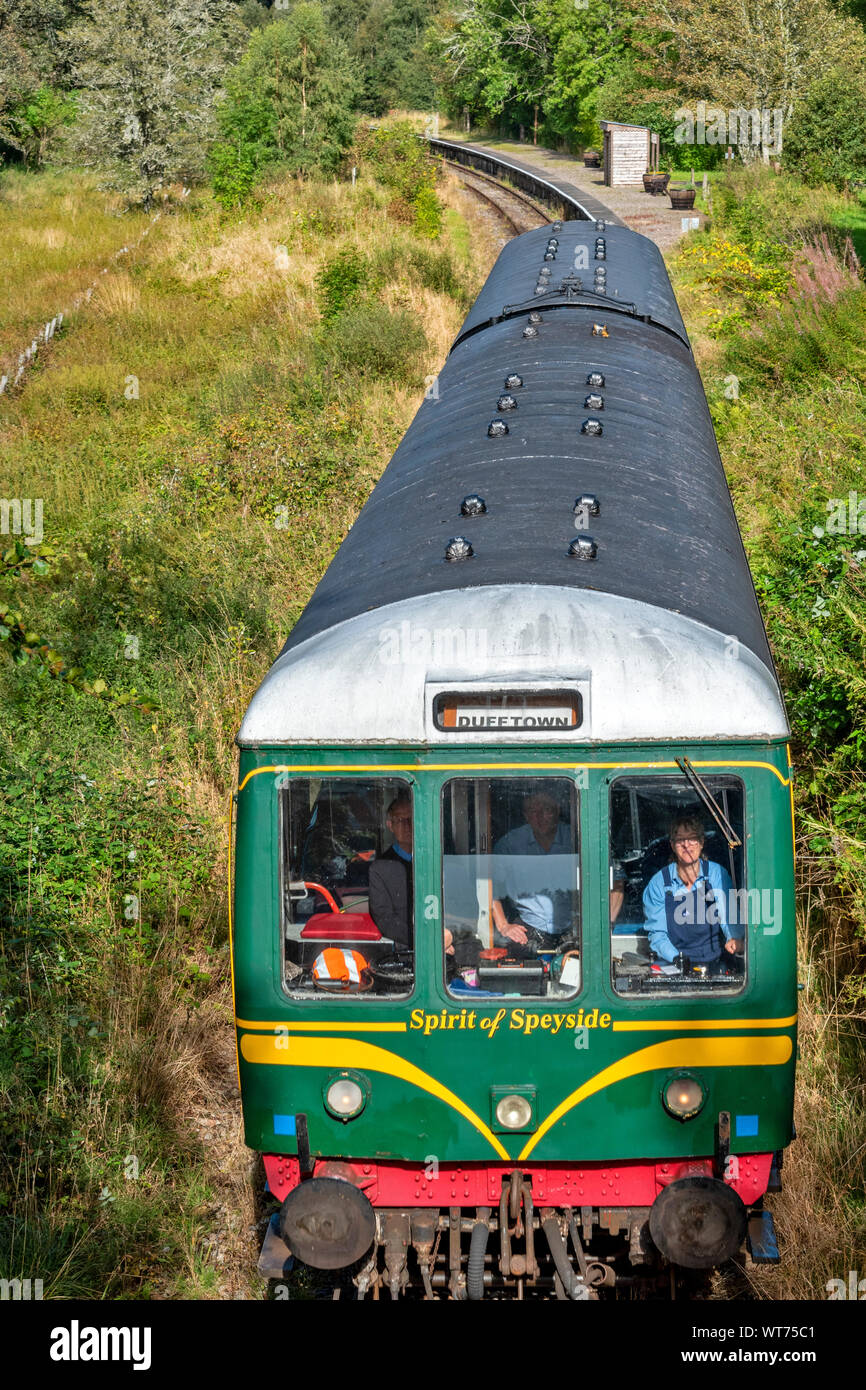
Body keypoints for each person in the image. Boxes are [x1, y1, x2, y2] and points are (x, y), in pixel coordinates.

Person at [642, 815, 743, 967]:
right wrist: (677, 959)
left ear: (702, 842)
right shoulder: (658, 883)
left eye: (692, 839)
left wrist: (734, 939)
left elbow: (727, 914)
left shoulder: (716, 874)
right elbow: (657, 933)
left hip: (715, 961)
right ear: (672, 845)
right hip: (673, 963)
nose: (686, 845)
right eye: (680, 840)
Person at [491, 790, 577, 947]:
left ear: (557, 810)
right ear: (525, 815)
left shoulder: (576, 838)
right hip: (528, 928)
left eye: (546, 810)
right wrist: (503, 925)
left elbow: (613, 881)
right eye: (533, 811)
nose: (540, 817)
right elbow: (489, 884)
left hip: (575, 929)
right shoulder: (510, 844)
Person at [368, 793, 413, 947]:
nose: (407, 826)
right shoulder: (380, 868)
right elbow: (385, 919)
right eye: (400, 820)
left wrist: (450, 935)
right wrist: (427, 941)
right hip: (407, 946)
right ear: (390, 825)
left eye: (411, 819)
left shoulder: (439, 858)